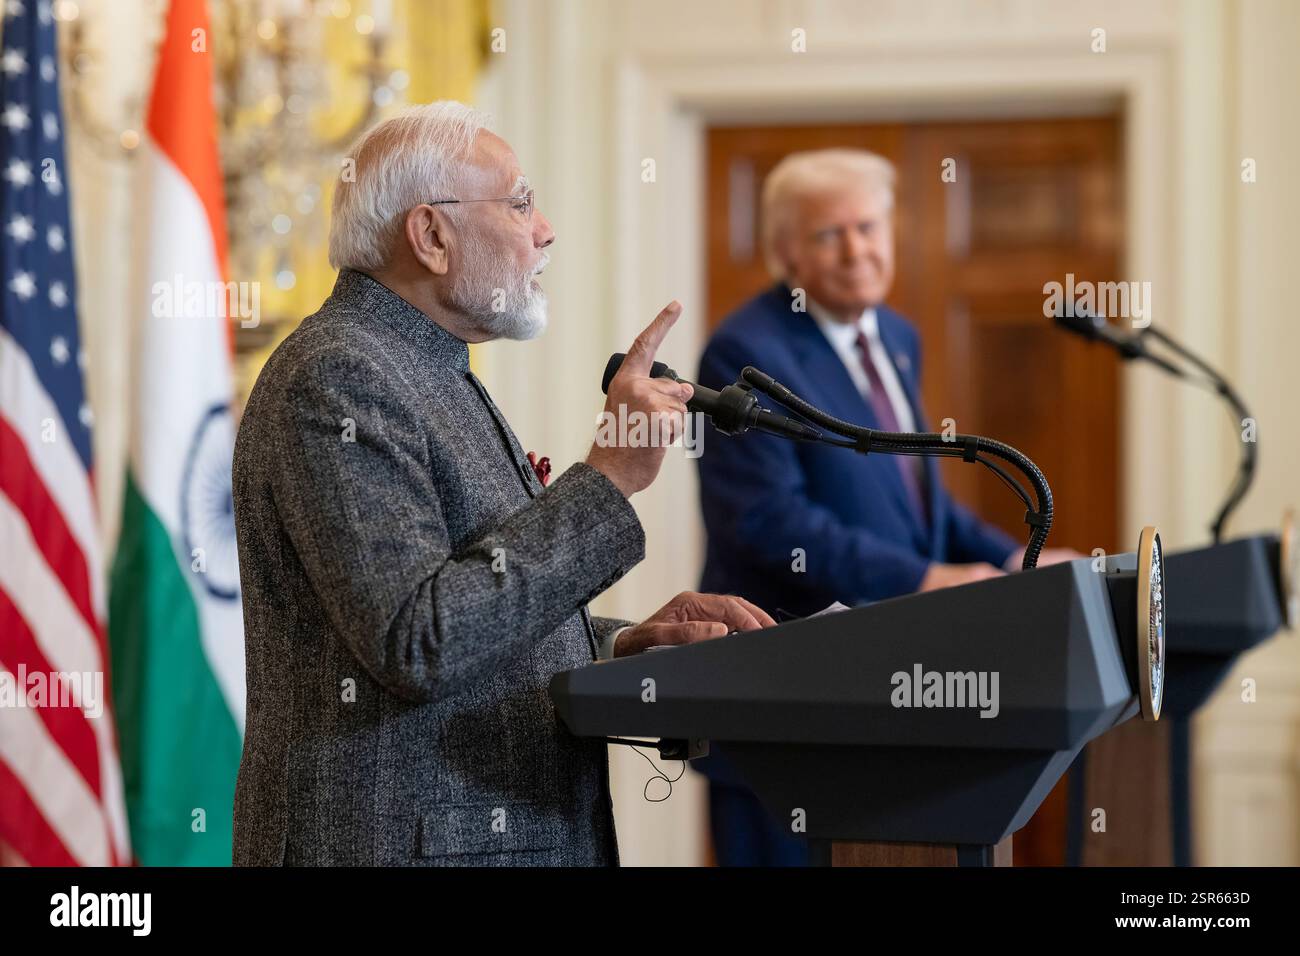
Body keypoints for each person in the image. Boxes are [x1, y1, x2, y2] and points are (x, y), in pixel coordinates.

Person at [231, 101, 774, 866]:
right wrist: (608, 479)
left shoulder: (427, 366)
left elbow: (470, 615)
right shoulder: (340, 375)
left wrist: (620, 647)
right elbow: (416, 641)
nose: (545, 228)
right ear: (430, 235)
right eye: (519, 202)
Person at [695, 148, 1075, 866]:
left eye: (869, 227)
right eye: (827, 234)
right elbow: (769, 525)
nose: (857, 250)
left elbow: (918, 505)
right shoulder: (745, 352)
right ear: (783, 252)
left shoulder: (896, 337)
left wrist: (1015, 559)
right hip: (786, 710)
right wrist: (925, 581)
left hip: (893, 703)